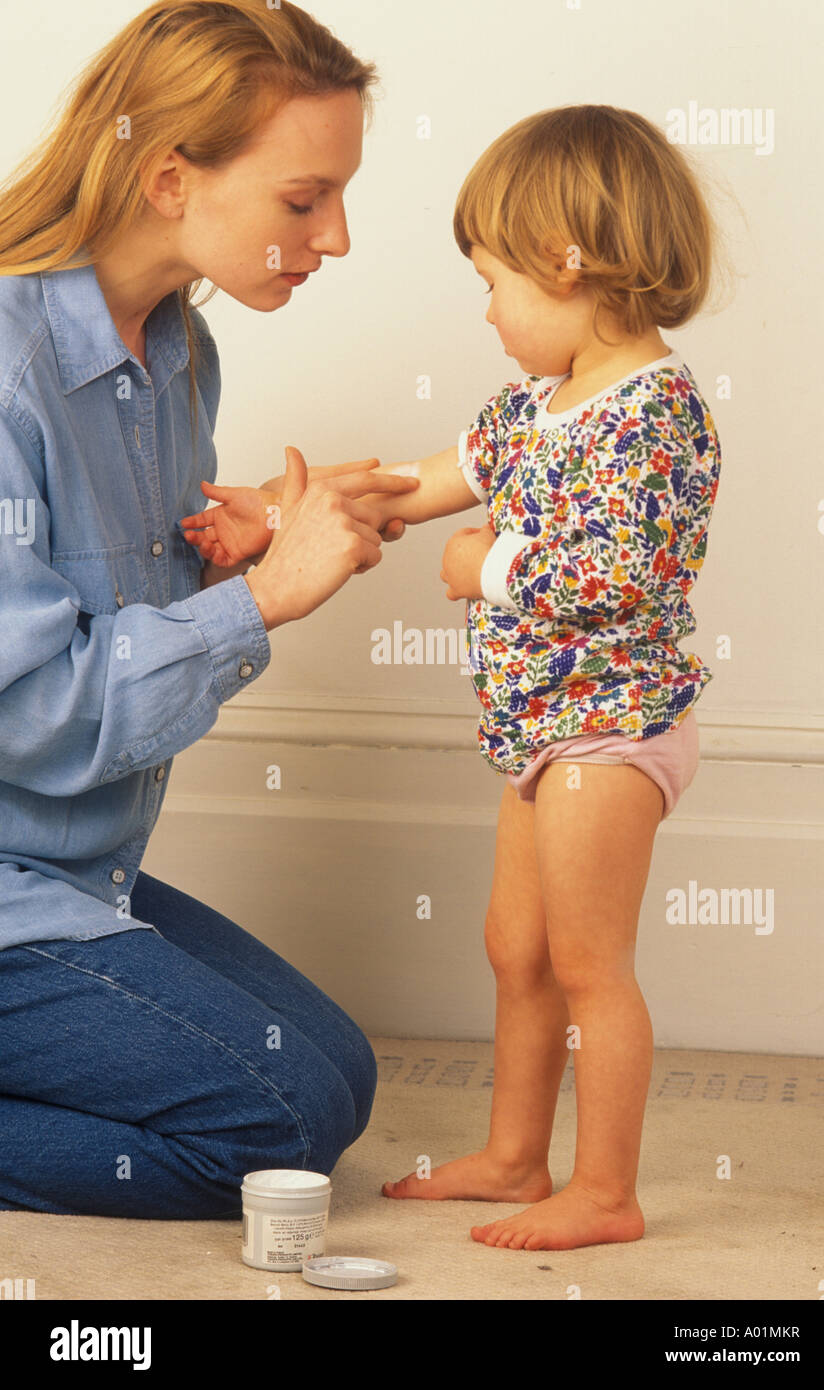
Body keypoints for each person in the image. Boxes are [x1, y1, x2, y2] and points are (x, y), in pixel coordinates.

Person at [187, 104, 723, 1252]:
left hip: (610, 729)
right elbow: (411, 481)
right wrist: (275, 510)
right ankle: (517, 1153)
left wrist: (493, 563)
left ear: (566, 262)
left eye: (493, 283)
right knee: (513, 947)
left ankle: (607, 1188)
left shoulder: (656, 414)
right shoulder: (534, 406)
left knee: (588, 963)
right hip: (538, 729)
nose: (484, 310)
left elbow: (628, 572)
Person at [0, 0, 419, 1217]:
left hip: (76, 866)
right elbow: (31, 714)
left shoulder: (182, 353)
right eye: (304, 199)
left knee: (336, 1075)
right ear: (171, 176)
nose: (335, 236)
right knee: (278, 1121)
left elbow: (127, 621)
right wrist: (271, 601)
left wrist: (247, 553)